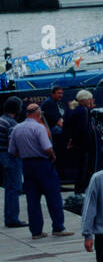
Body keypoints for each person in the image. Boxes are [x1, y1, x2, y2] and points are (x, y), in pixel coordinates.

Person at [9, 104, 67, 239]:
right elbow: (46, 147)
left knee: (32, 199)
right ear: (38, 113)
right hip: (42, 164)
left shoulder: (16, 128)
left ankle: (36, 231)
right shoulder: (39, 127)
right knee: (53, 196)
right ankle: (58, 227)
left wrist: (24, 154)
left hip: (27, 165)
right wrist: (52, 155)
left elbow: (12, 151)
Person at [65, 90, 98, 194]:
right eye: (89, 99)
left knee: (80, 167)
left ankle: (79, 189)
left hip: (77, 143)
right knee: (85, 167)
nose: (90, 101)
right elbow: (82, 128)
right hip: (84, 143)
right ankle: (82, 189)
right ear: (83, 100)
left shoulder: (74, 109)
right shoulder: (83, 110)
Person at [0, 97, 23, 228]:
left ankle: (9, 217)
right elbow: (12, 145)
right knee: (14, 188)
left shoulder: (1, 120)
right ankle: (13, 219)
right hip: (10, 158)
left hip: (2, 156)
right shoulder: (12, 123)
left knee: (9, 188)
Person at [41, 86, 66, 168]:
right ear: (52, 94)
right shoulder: (50, 103)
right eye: (59, 93)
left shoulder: (54, 102)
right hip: (51, 134)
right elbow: (58, 122)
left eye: (62, 93)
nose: (61, 95)